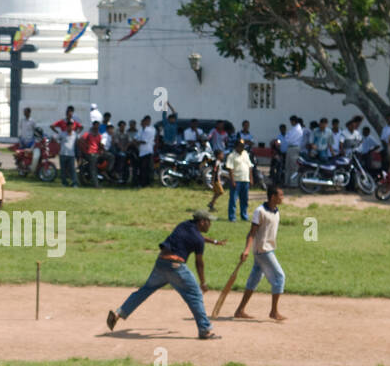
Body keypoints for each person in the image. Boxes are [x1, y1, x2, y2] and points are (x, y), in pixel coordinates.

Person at [107, 209, 224, 340]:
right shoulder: (197, 239)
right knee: (195, 295)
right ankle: (205, 330)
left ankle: (118, 313)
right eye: (209, 221)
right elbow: (199, 263)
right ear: (202, 222)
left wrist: (214, 241)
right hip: (176, 267)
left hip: (161, 264)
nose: (210, 224)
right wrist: (203, 282)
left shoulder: (184, 225)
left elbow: (198, 238)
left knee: (145, 290)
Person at [233, 184, 286, 322]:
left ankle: (239, 310)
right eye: (281, 195)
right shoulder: (260, 211)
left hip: (267, 249)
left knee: (254, 279)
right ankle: (274, 312)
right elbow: (251, 233)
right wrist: (246, 250)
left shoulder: (276, 211)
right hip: (263, 250)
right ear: (273, 196)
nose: (283, 197)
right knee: (279, 277)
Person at [227, 137, 253, 222]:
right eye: (240, 146)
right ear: (236, 146)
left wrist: (251, 178)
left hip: (245, 180)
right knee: (233, 200)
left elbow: (249, 166)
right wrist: (232, 180)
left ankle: (244, 216)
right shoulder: (232, 156)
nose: (242, 148)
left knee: (244, 200)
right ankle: (232, 217)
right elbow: (230, 169)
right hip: (237, 180)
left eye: (243, 146)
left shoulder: (246, 153)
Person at [283, 116, 305, 187]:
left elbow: (289, 139)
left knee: (294, 167)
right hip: (290, 148)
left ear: (294, 121)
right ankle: (287, 182)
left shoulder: (297, 129)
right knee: (288, 166)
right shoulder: (294, 129)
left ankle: (294, 184)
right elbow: (287, 138)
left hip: (294, 148)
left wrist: (287, 137)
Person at [135, 115, 156, 187]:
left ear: (148, 121)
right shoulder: (141, 130)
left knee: (147, 168)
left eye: (145, 121)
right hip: (141, 152)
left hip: (148, 151)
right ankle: (142, 183)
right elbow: (135, 138)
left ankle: (148, 183)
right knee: (142, 169)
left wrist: (137, 142)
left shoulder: (151, 129)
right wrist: (137, 141)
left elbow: (144, 141)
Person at [82, 120, 103, 187]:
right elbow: (81, 140)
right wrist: (86, 146)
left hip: (97, 153)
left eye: (98, 126)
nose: (97, 127)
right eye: (96, 125)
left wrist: (101, 150)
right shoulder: (88, 134)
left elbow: (100, 145)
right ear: (93, 126)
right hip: (90, 153)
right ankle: (96, 185)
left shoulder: (99, 135)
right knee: (93, 168)